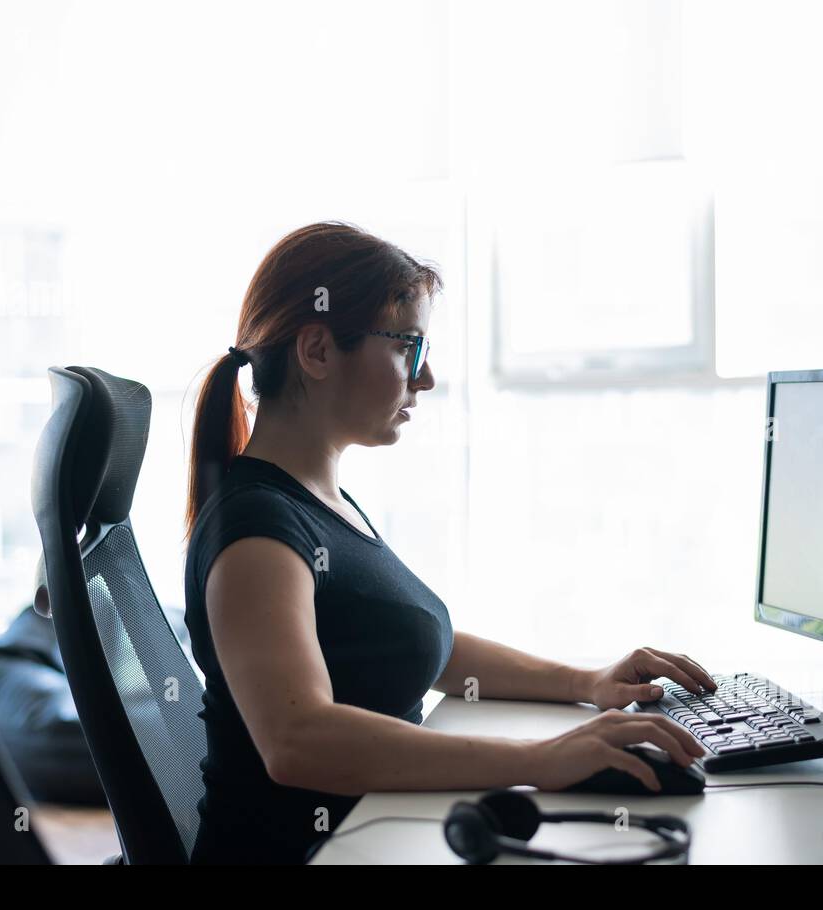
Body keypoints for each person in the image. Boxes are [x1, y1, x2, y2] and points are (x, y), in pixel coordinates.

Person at [183, 221, 714, 864]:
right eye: (410, 347)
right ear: (318, 351)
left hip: (378, 837)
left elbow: (413, 644)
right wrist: (539, 762)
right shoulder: (256, 533)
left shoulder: (318, 504)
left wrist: (588, 681)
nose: (426, 377)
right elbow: (299, 740)